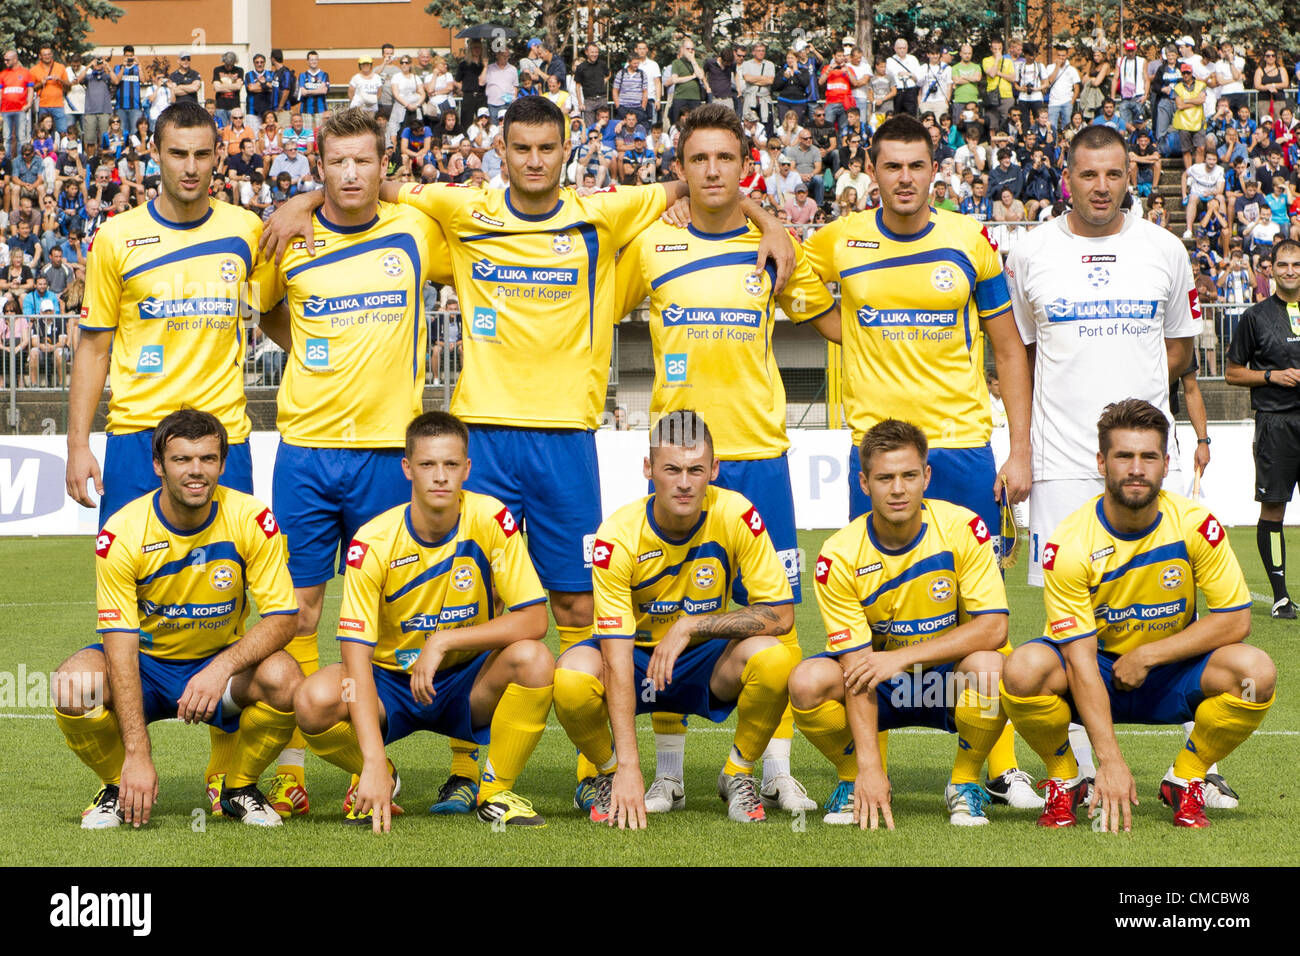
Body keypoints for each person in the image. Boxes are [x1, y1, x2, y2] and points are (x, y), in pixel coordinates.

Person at [802, 114, 1037, 807]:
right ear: (869, 171)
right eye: (891, 166)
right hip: (875, 454)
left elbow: (1007, 348)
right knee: (867, 612)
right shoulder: (838, 240)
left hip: (962, 446)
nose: (904, 178)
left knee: (978, 608)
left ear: (936, 170)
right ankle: (857, 772)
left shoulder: (969, 240)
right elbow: (794, 287)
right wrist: (861, 339)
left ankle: (994, 764)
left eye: (916, 165)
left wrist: (1017, 447)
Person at [613, 103, 839, 814]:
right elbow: (597, 312)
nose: (712, 170)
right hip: (682, 452)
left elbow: (830, 319)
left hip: (759, 454)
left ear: (744, 168)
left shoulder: (774, 247)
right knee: (664, 610)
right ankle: (670, 773)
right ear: (679, 171)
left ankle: (770, 766)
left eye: (725, 159)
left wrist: (773, 224)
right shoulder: (651, 247)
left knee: (778, 614)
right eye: (698, 159)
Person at [1004, 124, 1240, 799]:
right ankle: (1077, 767)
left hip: (1140, 458)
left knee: (1170, 593)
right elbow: (1016, 355)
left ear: (1127, 178)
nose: (1101, 187)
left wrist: (1132, 415)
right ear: (1066, 177)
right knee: (1071, 616)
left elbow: (1178, 350)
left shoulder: (1164, 250)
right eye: (1088, 175)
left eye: (1113, 175)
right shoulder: (1029, 254)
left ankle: (1199, 767)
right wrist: (1019, 447)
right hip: (1059, 459)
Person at [249, 106, 451, 819]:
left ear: (383, 164)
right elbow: (272, 313)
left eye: (366, 161)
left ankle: (464, 765)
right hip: (304, 450)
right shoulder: (286, 240)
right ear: (318, 163)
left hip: (383, 453)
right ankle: (304, 769)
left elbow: (471, 227)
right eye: (338, 163)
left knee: (406, 608)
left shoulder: (417, 231)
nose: (353, 174)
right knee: (299, 614)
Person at [1000, 399, 1274, 830]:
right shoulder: (1069, 542)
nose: (1136, 468)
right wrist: (1108, 761)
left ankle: (1187, 778)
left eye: (1148, 457)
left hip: (1171, 671)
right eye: (1123, 456)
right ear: (1101, 462)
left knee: (1255, 672)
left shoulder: (1196, 525)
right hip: (1096, 669)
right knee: (1022, 669)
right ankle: (1065, 778)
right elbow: (1077, 658)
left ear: (1166, 464)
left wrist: (1148, 656)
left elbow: (1236, 620)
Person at [293, 411, 553, 829]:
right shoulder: (372, 542)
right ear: (407, 468)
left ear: (467, 469)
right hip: (390, 683)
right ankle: (383, 775)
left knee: (534, 658)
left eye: (451, 465)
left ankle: (495, 790)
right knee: (312, 699)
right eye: (428, 465)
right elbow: (354, 657)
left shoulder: (490, 519)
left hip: (467, 680)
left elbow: (535, 618)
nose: (440, 477)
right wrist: (373, 760)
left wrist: (444, 641)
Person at [53, 408, 302, 829]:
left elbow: (283, 618)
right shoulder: (123, 530)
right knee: (73, 685)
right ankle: (118, 787)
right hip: (146, 667)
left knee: (286, 678)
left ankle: (240, 787)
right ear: (158, 465)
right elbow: (119, 641)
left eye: (207, 459)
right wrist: (137, 753)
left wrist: (219, 669)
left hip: (219, 667)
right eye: (182, 459)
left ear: (223, 464)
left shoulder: (251, 518)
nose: (196, 471)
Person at [553, 411, 798, 827]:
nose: (684, 482)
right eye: (671, 469)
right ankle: (609, 774)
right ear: (649, 469)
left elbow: (781, 614)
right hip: (633, 661)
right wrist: (629, 766)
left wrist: (691, 626)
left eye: (695, 470)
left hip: (705, 661)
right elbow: (614, 654)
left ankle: (738, 773)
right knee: (571, 678)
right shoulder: (617, 535)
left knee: (776, 660)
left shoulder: (737, 514)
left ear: (714, 470)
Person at [791, 419, 1012, 827]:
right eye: (885, 477)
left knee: (992, 668)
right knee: (806, 681)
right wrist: (870, 769)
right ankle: (853, 779)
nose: (898, 489)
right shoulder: (838, 555)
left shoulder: (963, 528)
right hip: (879, 684)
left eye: (909, 475)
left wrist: (901, 658)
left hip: (946, 678)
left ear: (926, 476)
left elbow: (994, 627)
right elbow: (857, 666)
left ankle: (964, 784)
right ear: (864, 482)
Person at [1224, 239, 1300, 620]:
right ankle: (1281, 595)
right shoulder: (1254, 317)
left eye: (1296, 265)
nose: (1290, 271)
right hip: (1275, 424)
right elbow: (1232, 372)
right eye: (1283, 265)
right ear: (1270, 269)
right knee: (1274, 508)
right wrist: (1271, 375)